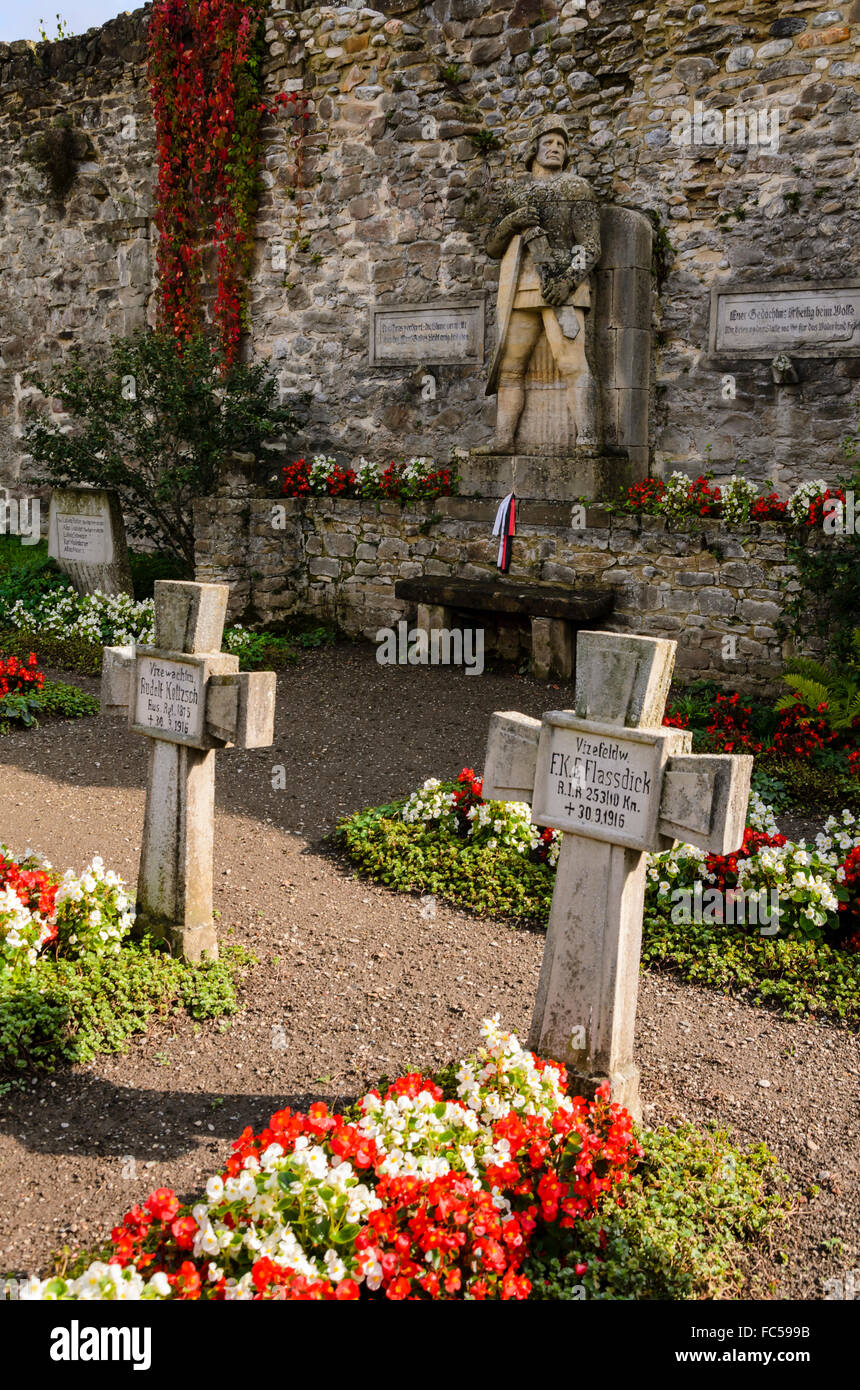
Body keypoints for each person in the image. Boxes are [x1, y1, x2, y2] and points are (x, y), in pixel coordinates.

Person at [482, 116, 601, 452]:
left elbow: (590, 246)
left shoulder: (576, 188)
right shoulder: (515, 192)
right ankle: (504, 438)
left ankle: (587, 438)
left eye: (561, 145)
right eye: (549, 142)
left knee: (572, 364)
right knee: (509, 369)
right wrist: (511, 222)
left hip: (564, 289)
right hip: (522, 289)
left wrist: (567, 281)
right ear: (533, 148)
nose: (555, 149)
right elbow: (492, 246)